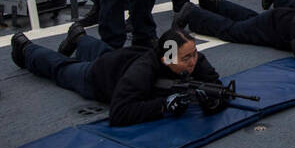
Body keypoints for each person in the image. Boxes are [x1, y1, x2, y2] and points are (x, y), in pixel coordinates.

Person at [12, 26, 229, 126]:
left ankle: (79, 37)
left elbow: (217, 87)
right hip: (100, 77)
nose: (193, 62)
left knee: (105, 52)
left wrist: (211, 103)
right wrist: (162, 106)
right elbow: (119, 113)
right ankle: (26, 48)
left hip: (121, 58)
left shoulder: (193, 59)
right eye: (186, 58)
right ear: (167, 59)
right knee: (61, 68)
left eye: (194, 54)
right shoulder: (144, 71)